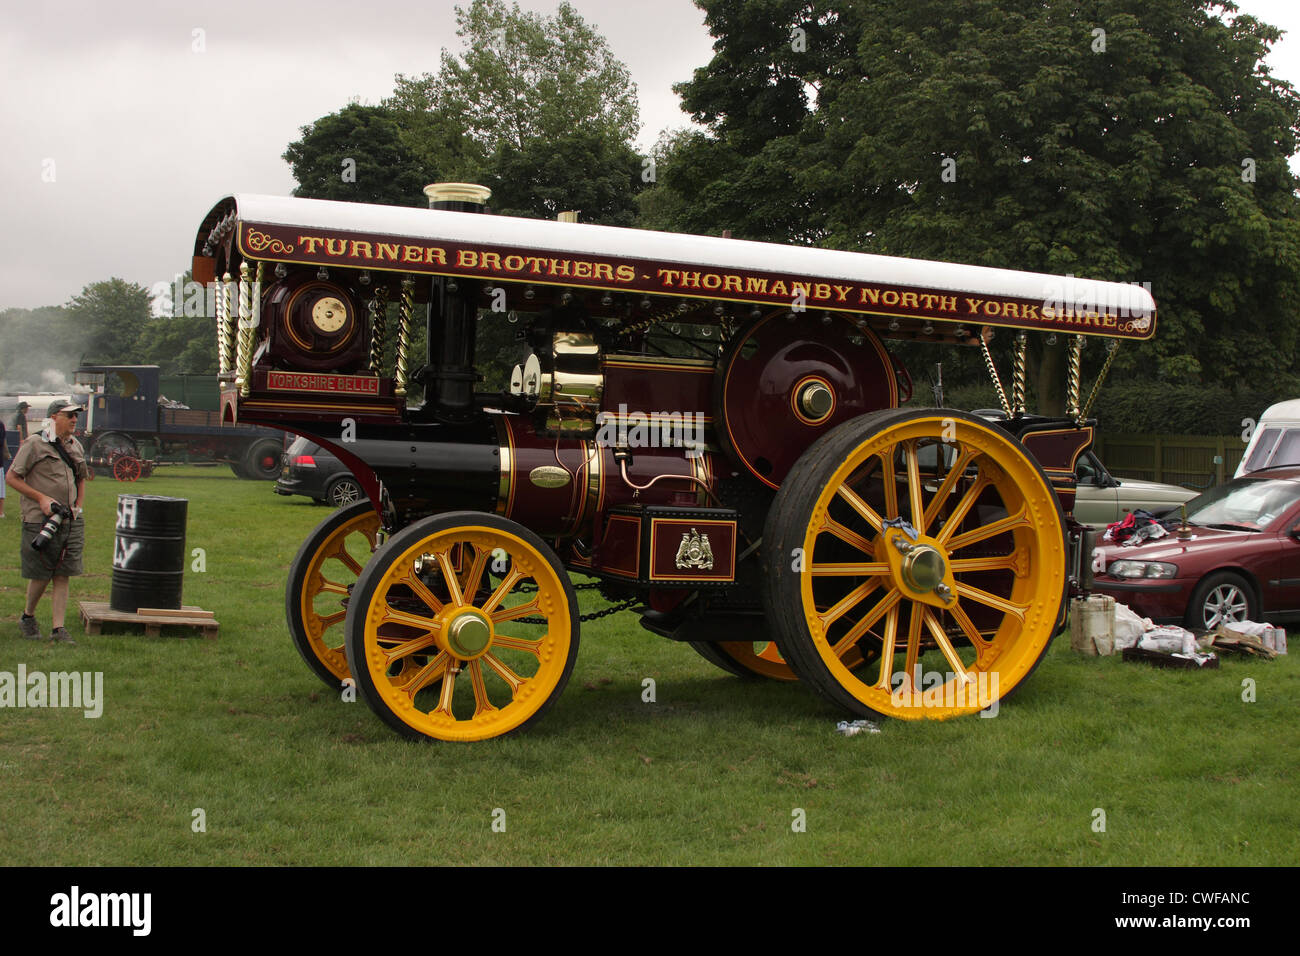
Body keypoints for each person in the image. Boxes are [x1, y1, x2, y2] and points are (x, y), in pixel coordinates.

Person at [6, 400, 89, 644]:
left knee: (63, 573)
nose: (74, 420)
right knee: (41, 573)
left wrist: (78, 507)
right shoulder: (34, 443)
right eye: (69, 415)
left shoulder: (75, 445)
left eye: (76, 416)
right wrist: (41, 498)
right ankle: (28, 616)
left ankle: (58, 629)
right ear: (54, 417)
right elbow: (12, 477)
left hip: (69, 520)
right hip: (39, 519)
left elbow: (81, 478)